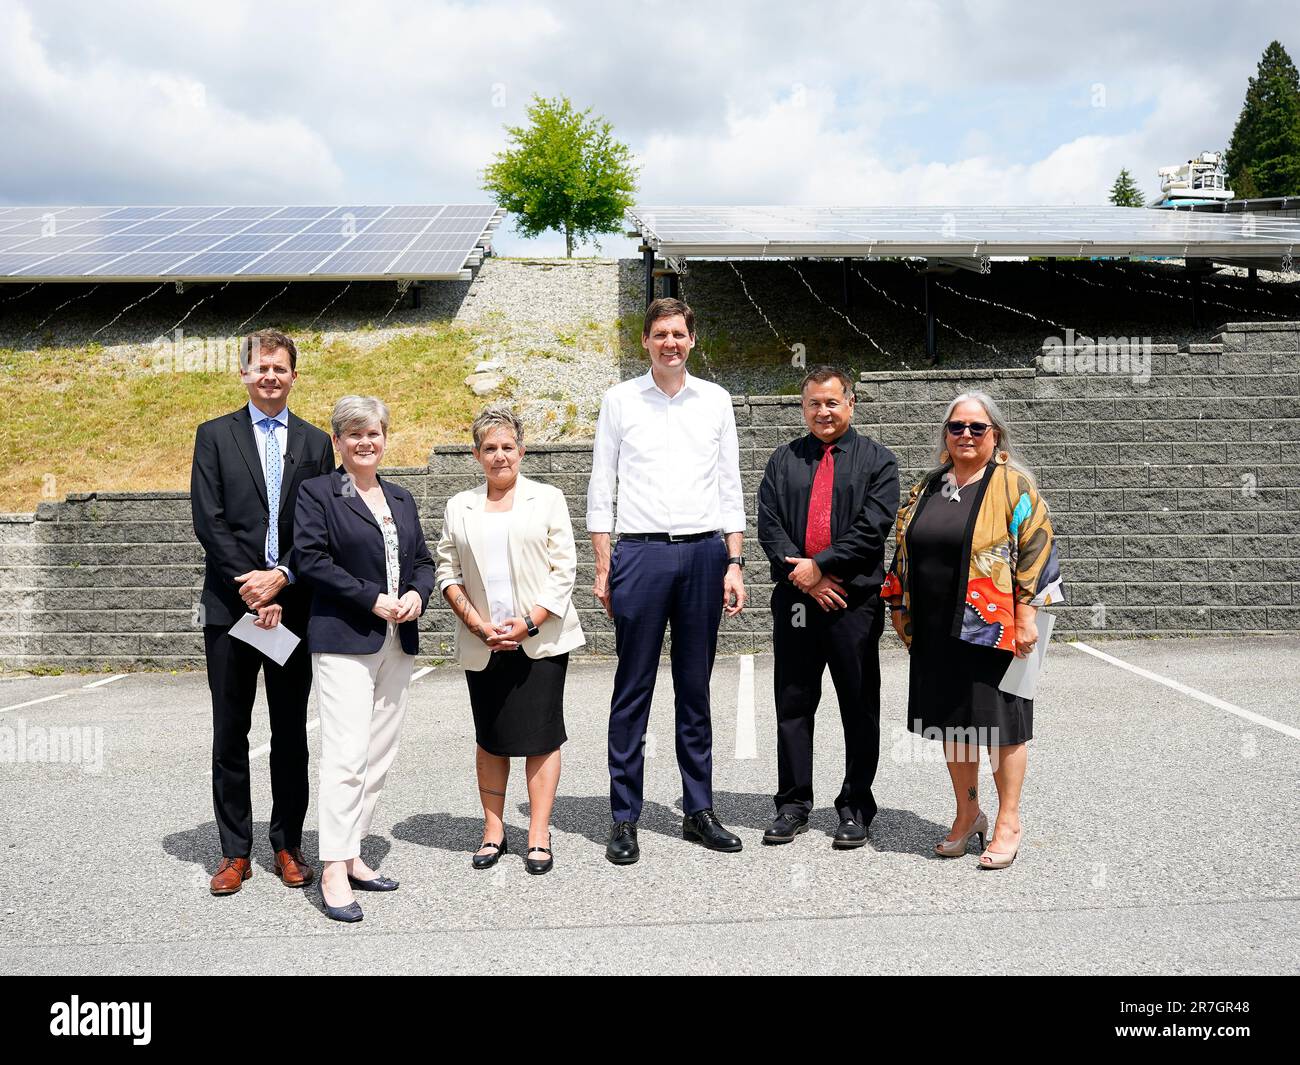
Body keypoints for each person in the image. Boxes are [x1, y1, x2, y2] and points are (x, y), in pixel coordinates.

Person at [587, 297, 747, 865]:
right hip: (641, 555)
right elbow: (601, 483)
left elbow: (730, 484)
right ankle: (624, 817)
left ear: (692, 340)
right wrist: (604, 564)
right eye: (660, 334)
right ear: (646, 342)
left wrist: (734, 561)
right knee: (632, 690)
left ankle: (698, 810)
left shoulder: (716, 401)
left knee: (695, 691)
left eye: (678, 333)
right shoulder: (620, 400)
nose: (670, 343)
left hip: (705, 554)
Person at [882, 391, 1064, 869]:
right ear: (945, 435)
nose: (965, 435)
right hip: (937, 628)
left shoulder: (1013, 485)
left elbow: (1038, 550)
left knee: (1005, 726)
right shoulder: (929, 485)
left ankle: (1008, 822)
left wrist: (1027, 614)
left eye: (976, 428)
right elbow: (904, 548)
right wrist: (900, 606)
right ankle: (968, 816)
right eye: (956, 427)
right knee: (955, 724)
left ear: (995, 434)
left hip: (995, 627)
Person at [190, 328, 334, 897]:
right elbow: (210, 519)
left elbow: (319, 525)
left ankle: (287, 844)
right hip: (231, 608)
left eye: (280, 368)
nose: (270, 376)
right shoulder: (214, 436)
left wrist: (282, 578)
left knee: (289, 732)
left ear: (294, 376)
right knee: (230, 730)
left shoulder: (316, 442)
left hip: (292, 606)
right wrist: (252, 587)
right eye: (260, 368)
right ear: (244, 374)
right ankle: (234, 851)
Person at [293, 396, 435, 921]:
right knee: (346, 754)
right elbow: (309, 559)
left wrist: (418, 594)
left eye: (373, 433)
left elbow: (421, 559)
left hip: (399, 642)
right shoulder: (318, 493)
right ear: (338, 442)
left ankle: (354, 852)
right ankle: (331, 867)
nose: (365, 442)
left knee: (378, 754)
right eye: (353, 434)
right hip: (345, 640)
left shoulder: (400, 497)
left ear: (384, 437)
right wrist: (370, 597)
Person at [435, 406, 584, 876]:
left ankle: (538, 834)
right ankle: (493, 831)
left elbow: (564, 571)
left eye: (507, 447)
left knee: (541, 738)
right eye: (489, 448)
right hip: (483, 641)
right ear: (476, 454)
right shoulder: (459, 505)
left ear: (522, 450)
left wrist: (528, 623)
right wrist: (477, 623)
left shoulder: (548, 498)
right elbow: (446, 571)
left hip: (538, 641)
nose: (499, 456)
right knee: (492, 739)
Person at [757, 366, 899, 849]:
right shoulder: (783, 460)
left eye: (832, 402)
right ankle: (793, 804)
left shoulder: (878, 462)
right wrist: (806, 578)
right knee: (793, 704)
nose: (823, 411)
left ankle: (856, 805)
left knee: (858, 707)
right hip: (797, 602)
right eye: (814, 403)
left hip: (852, 603)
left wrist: (822, 567)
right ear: (804, 408)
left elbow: (872, 528)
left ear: (851, 404)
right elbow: (770, 526)